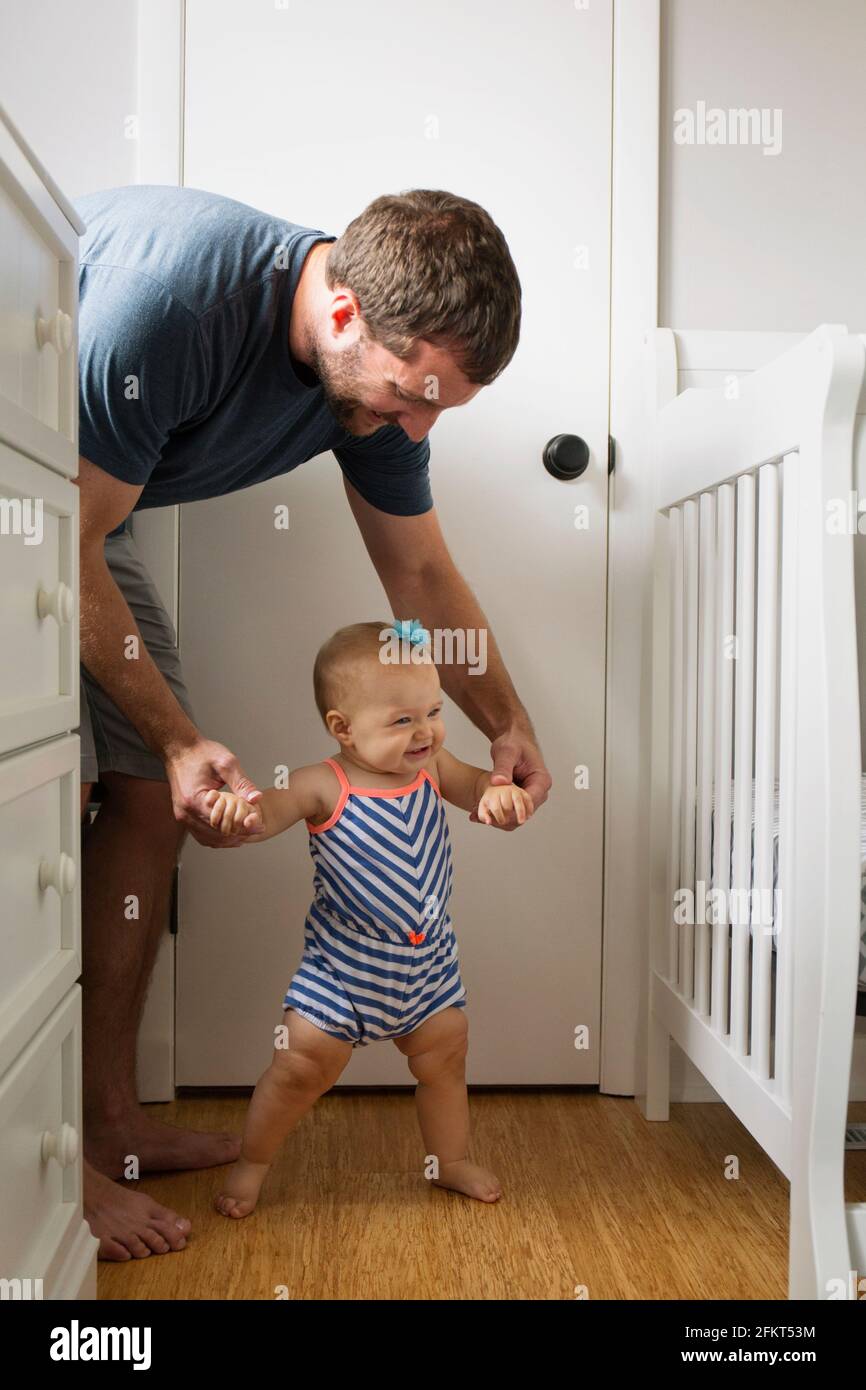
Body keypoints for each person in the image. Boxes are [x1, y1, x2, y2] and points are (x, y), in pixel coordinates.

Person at [74, 184, 552, 1260]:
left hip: (91, 513)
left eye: (441, 408)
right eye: (411, 396)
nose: (417, 428)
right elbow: (57, 537)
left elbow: (420, 571)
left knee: (148, 794)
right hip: (40, 493)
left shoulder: (373, 385)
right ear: (343, 316)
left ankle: (109, 1122)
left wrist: (506, 721)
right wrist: (177, 731)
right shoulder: (170, 304)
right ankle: (47, 1165)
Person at [207, 619, 534, 1218]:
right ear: (343, 729)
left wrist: (500, 797)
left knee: (446, 1058)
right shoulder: (320, 785)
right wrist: (237, 814)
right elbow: (267, 813)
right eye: (402, 720)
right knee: (300, 1067)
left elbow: (473, 791)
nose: (426, 731)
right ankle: (252, 1163)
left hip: (428, 967)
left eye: (432, 711)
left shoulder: (434, 769)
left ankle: (450, 1160)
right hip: (343, 970)